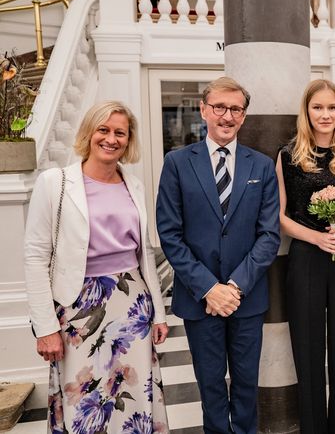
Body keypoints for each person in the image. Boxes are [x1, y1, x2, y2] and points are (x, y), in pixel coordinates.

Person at [25, 101, 169, 433]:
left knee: (132, 392)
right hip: (79, 307)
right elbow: (35, 256)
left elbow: (144, 253)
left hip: (133, 303)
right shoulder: (55, 183)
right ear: (89, 132)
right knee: (83, 396)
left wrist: (159, 312)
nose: (111, 138)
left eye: (120, 132)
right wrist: (45, 326)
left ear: (128, 140)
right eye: (103, 129)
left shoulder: (133, 184)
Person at [156, 77, 280, 434]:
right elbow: (170, 234)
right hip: (200, 299)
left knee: (245, 386)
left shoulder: (260, 166)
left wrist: (234, 287)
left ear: (244, 115)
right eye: (219, 107)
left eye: (236, 109)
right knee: (210, 387)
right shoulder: (177, 163)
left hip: (247, 297)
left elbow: (268, 236)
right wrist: (210, 288)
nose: (227, 116)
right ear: (204, 110)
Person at [277, 79, 335, 432]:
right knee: (308, 344)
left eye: (332, 107)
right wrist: (316, 237)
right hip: (306, 256)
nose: (325, 114)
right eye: (318, 107)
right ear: (307, 111)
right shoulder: (288, 155)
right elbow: (280, 217)